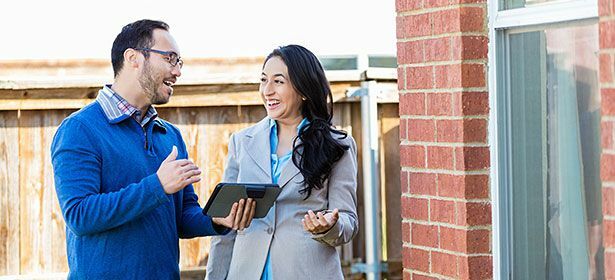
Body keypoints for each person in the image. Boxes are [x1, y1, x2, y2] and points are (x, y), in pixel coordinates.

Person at [50, 19, 256, 279]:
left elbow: (182, 216)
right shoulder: (80, 129)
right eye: (170, 59)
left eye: (179, 62)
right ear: (133, 58)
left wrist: (216, 219)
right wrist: (157, 186)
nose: (177, 71)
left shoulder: (169, 135)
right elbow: (80, 215)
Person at [205, 44, 358, 280]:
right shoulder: (242, 142)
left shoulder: (338, 145)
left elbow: (348, 221)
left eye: (278, 81)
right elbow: (227, 226)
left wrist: (329, 226)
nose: (268, 90)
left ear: (303, 89)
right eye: (264, 80)